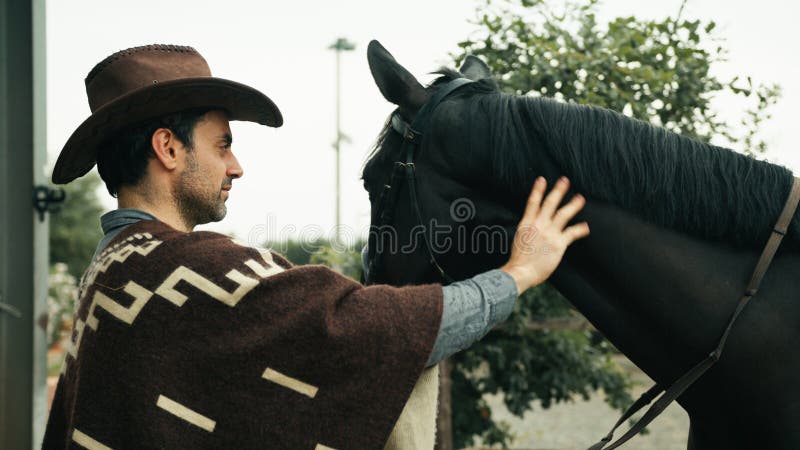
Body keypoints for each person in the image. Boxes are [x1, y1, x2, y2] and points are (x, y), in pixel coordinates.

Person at [43, 45, 590, 449]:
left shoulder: (111, 271)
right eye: (223, 145)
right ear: (168, 148)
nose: (236, 166)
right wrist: (517, 273)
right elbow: (369, 329)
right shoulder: (185, 269)